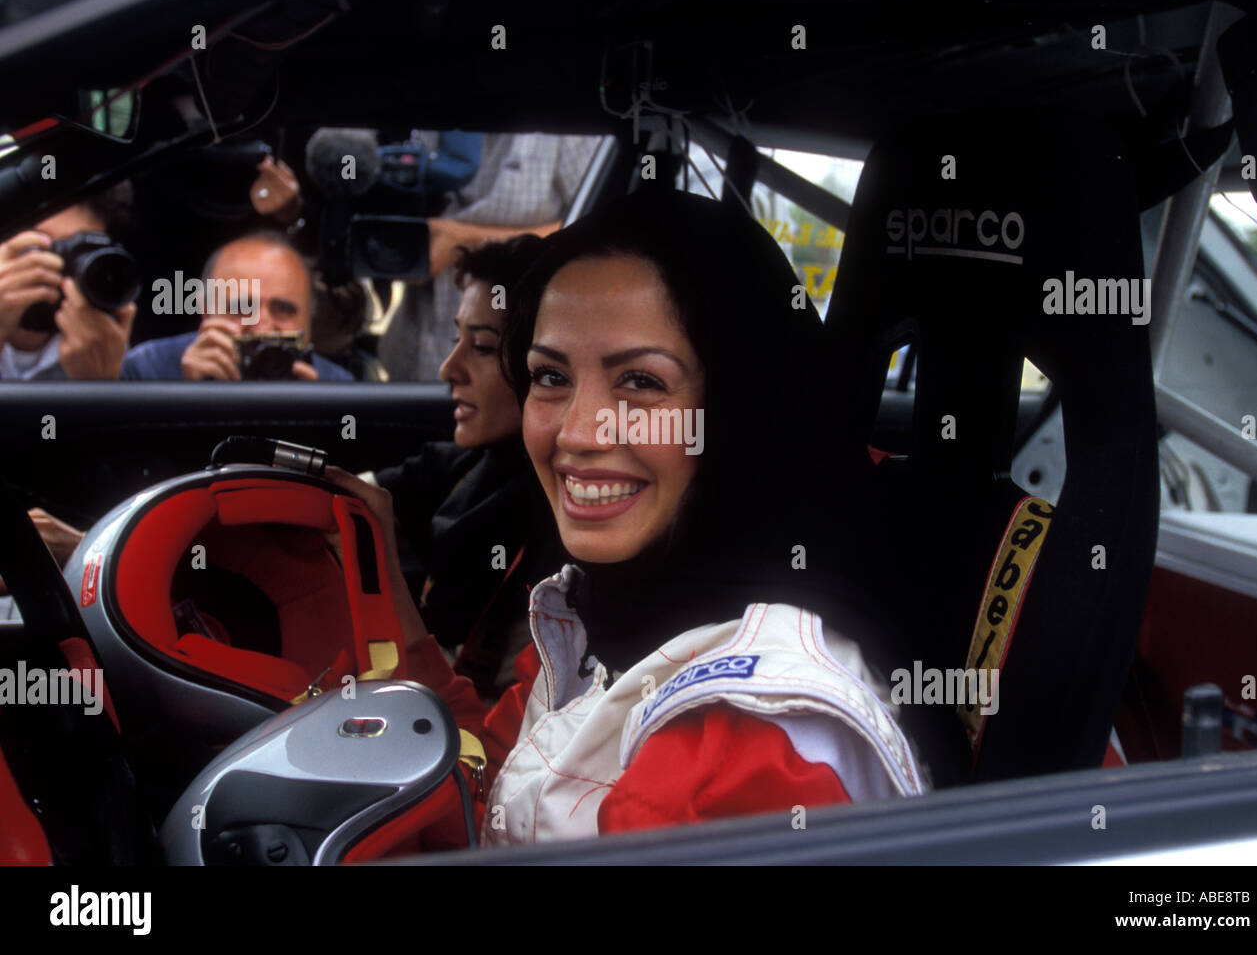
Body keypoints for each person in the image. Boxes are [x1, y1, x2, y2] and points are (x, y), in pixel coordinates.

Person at [329, 190, 923, 849]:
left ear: (738, 409)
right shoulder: (605, 615)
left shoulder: (745, 741)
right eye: (550, 376)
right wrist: (373, 575)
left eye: (640, 382)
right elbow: (485, 778)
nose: (579, 433)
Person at [373, 233, 559, 695]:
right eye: (458, 339)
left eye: (481, 347)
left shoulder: (560, 527)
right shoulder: (471, 466)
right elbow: (358, 495)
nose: (448, 368)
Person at [379, 133, 601, 381]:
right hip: (412, 351)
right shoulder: (424, 128)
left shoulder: (562, 130)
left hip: (508, 367)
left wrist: (463, 240)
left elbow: (597, 230)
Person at [120, 232, 354, 381]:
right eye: (242, 308)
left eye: (283, 310)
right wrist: (192, 400)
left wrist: (312, 424)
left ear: (309, 320)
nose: (263, 328)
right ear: (206, 311)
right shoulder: (149, 371)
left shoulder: (337, 389)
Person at [0, 183, 137, 380]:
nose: (57, 265)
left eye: (78, 251)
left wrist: (101, 385)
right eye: (42, 248)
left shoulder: (102, 343)